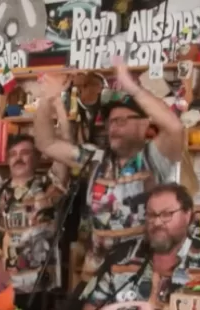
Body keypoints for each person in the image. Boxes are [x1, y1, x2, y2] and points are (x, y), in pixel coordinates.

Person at [35, 56, 184, 281]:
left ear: (145, 124)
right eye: (111, 122)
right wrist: (46, 100)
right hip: (98, 279)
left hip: (141, 279)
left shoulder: (153, 158)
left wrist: (132, 87)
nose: (114, 127)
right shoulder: (95, 159)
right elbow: (46, 143)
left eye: (123, 121)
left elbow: (174, 127)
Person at [80, 184, 200, 310]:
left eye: (167, 214)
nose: (157, 222)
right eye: (151, 215)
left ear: (187, 215)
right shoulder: (122, 257)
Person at [0, 92, 72, 295]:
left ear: (38, 157)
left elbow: (66, 150)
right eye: (13, 154)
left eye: (25, 153)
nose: (18, 159)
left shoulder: (49, 186)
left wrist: (61, 111)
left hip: (38, 287)